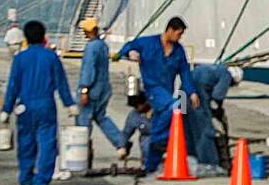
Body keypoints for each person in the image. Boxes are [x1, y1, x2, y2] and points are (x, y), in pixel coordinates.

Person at [0, 20, 76, 185]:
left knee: (26, 141)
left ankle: (26, 177)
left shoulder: (19, 58)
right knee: (47, 143)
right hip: (46, 104)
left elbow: (13, 86)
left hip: (24, 106)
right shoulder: (51, 57)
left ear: (25, 37)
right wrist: (69, 104)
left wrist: (6, 109)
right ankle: (42, 180)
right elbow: (61, 83)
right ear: (43, 37)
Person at [117, 17, 199, 175]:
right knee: (175, 107)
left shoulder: (179, 51)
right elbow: (126, 48)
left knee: (168, 119)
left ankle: (150, 166)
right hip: (152, 90)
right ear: (170, 30)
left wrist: (192, 92)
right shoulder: (148, 43)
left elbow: (185, 73)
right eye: (179, 34)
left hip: (166, 93)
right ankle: (158, 141)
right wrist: (130, 52)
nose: (180, 37)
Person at [75, 18, 124, 159]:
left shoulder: (91, 47)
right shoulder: (103, 45)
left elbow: (89, 70)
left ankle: (82, 150)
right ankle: (121, 143)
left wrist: (84, 89)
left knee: (83, 121)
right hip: (104, 88)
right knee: (101, 117)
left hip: (92, 90)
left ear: (89, 31)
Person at [188, 62, 243, 167]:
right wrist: (218, 112)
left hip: (183, 91)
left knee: (187, 126)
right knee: (206, 129)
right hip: (197, 96)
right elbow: (217, 95)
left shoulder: (213, 68)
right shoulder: (226, 75)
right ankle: (209, 163)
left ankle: (189, 158)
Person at [120, 94, 153, 161]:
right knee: (147, 144)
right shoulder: (134, 115)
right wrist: (122, 146)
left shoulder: (158, 108)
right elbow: (126, 132)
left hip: (164, 136)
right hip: (147, 137)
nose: (136, 108)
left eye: (137, 106)